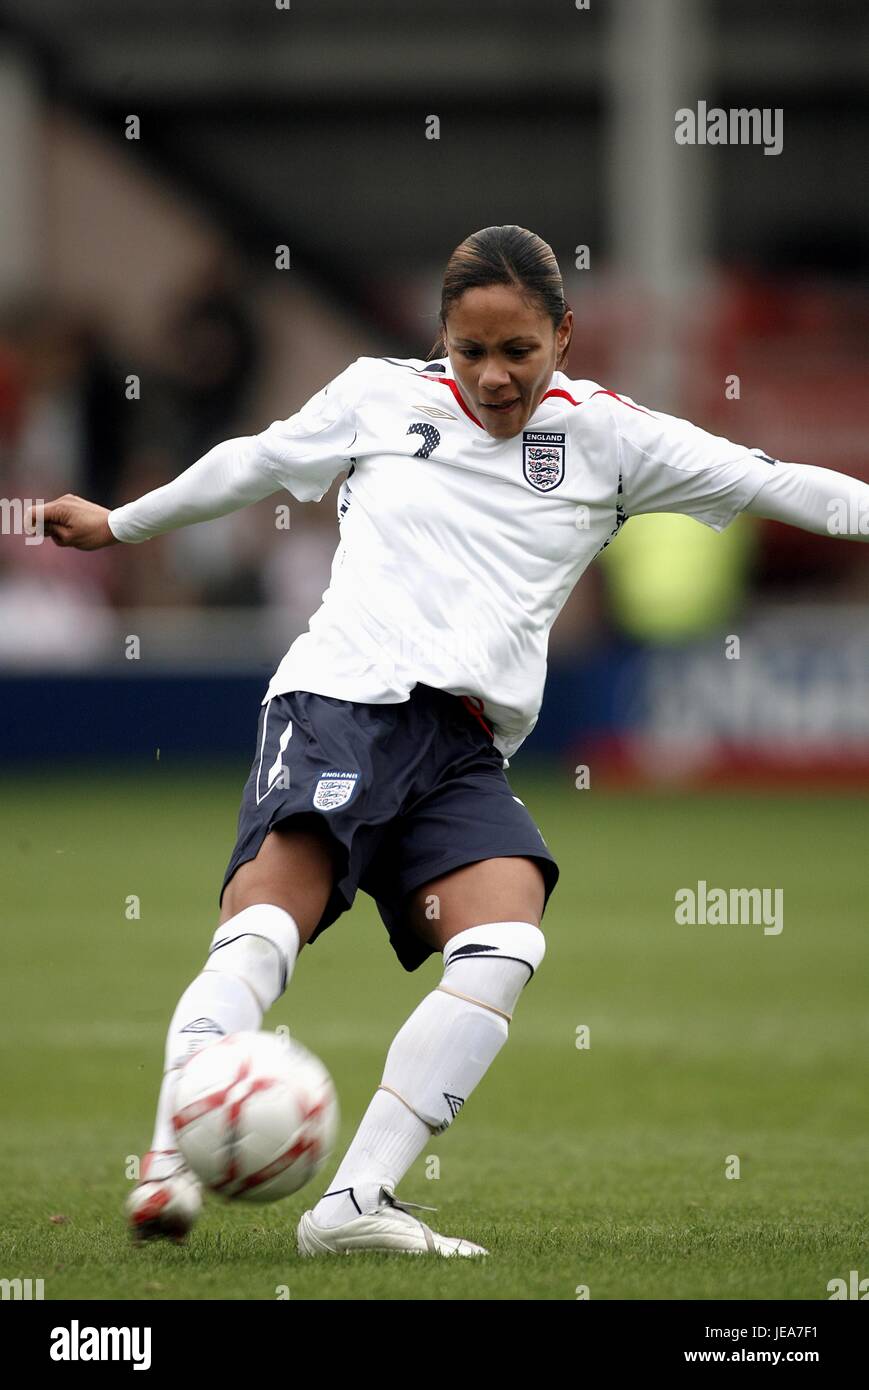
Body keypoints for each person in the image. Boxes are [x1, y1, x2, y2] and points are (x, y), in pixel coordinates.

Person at [34, 224, 869, 1258]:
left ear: (562, 335)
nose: (491, 375)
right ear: (441, 338)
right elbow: (253, 463)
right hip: (345, 698)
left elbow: (777, 483)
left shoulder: (610, 438)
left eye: (516, 350)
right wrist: (120, 524)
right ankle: (169, 1160)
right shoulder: (377, 395)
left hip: (461, 745)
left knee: (507, 935)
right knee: (266, 927)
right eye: (470, 350)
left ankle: (353, 1204)